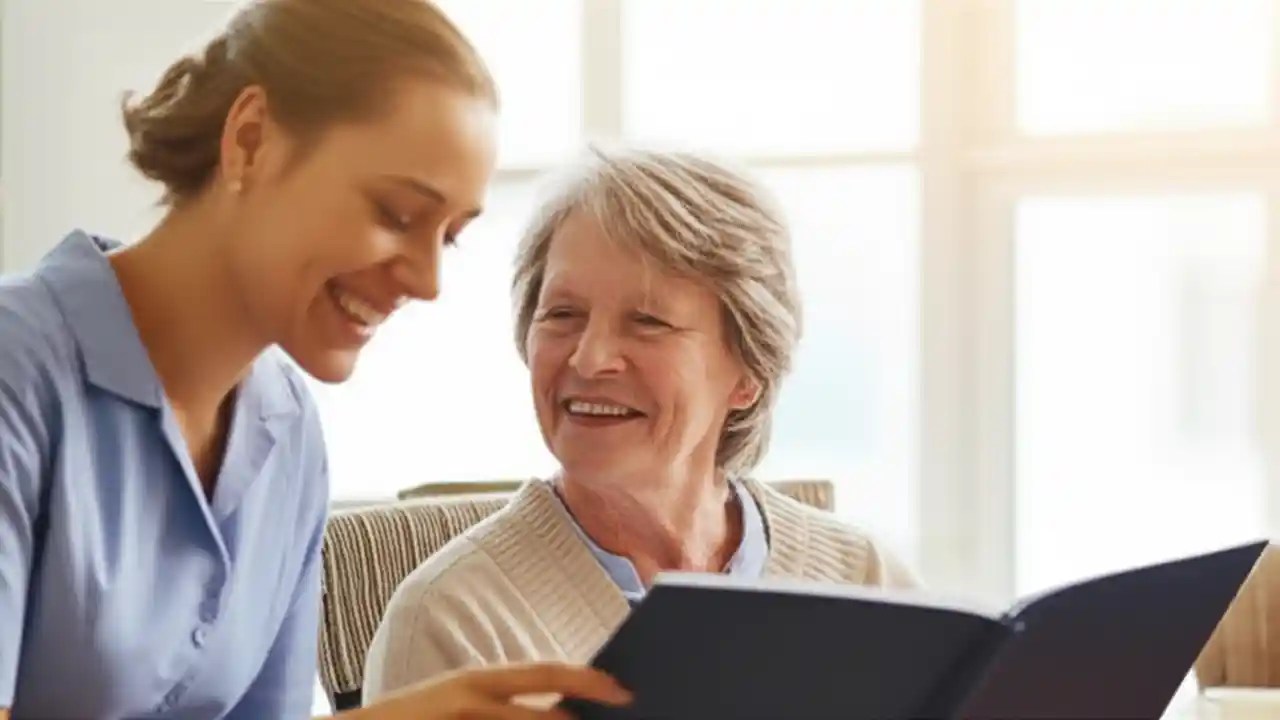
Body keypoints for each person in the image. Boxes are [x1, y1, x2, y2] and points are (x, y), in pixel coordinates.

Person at [0, 1, 632, 718]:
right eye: (396, 213)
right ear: (250, 139)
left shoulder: (285, 428)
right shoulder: (18, 372)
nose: (427, 282)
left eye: (448, 236)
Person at [361, 148, 921, 700]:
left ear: (748, 372)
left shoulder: (864, 580)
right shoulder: (453, 619)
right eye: (562, 315)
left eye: (647, 322)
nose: (588, 359)